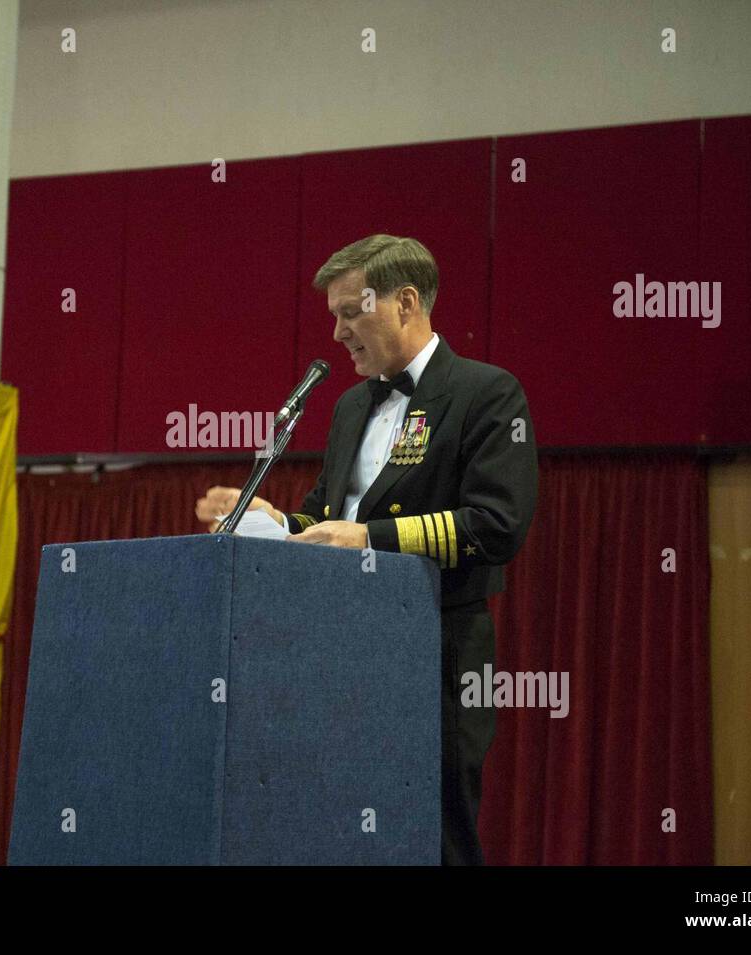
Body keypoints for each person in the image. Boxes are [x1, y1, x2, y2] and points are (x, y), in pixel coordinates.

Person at [195, 234, 538, 865]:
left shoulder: (486, 393)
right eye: (333, 316)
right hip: (340, 642)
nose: (338, 333)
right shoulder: (352, 405)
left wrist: (369, 539)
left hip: (438, 646)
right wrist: (274, 522)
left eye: (352, 311)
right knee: (336, 820)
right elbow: (331, 516)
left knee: (435, 831)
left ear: (406, 302)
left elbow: (498, 525)